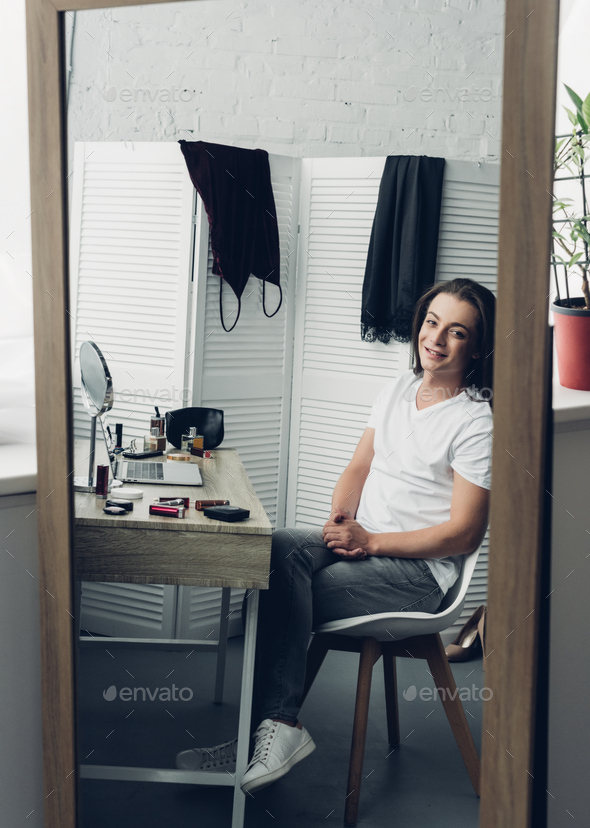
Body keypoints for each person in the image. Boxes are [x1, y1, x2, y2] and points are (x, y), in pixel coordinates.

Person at [176, 276, 495, 794]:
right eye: (432, 322)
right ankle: (269, 729)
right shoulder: (398, 388)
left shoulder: (475, 421)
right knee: (276, 549)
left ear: (477, 346)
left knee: (285, 591)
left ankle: (273, 728)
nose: (436, 338)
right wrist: (342, 520)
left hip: (420, 576)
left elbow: (463, 534)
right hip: (365, 547)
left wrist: (370, 542)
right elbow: (357, 468)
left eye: (456, 332)